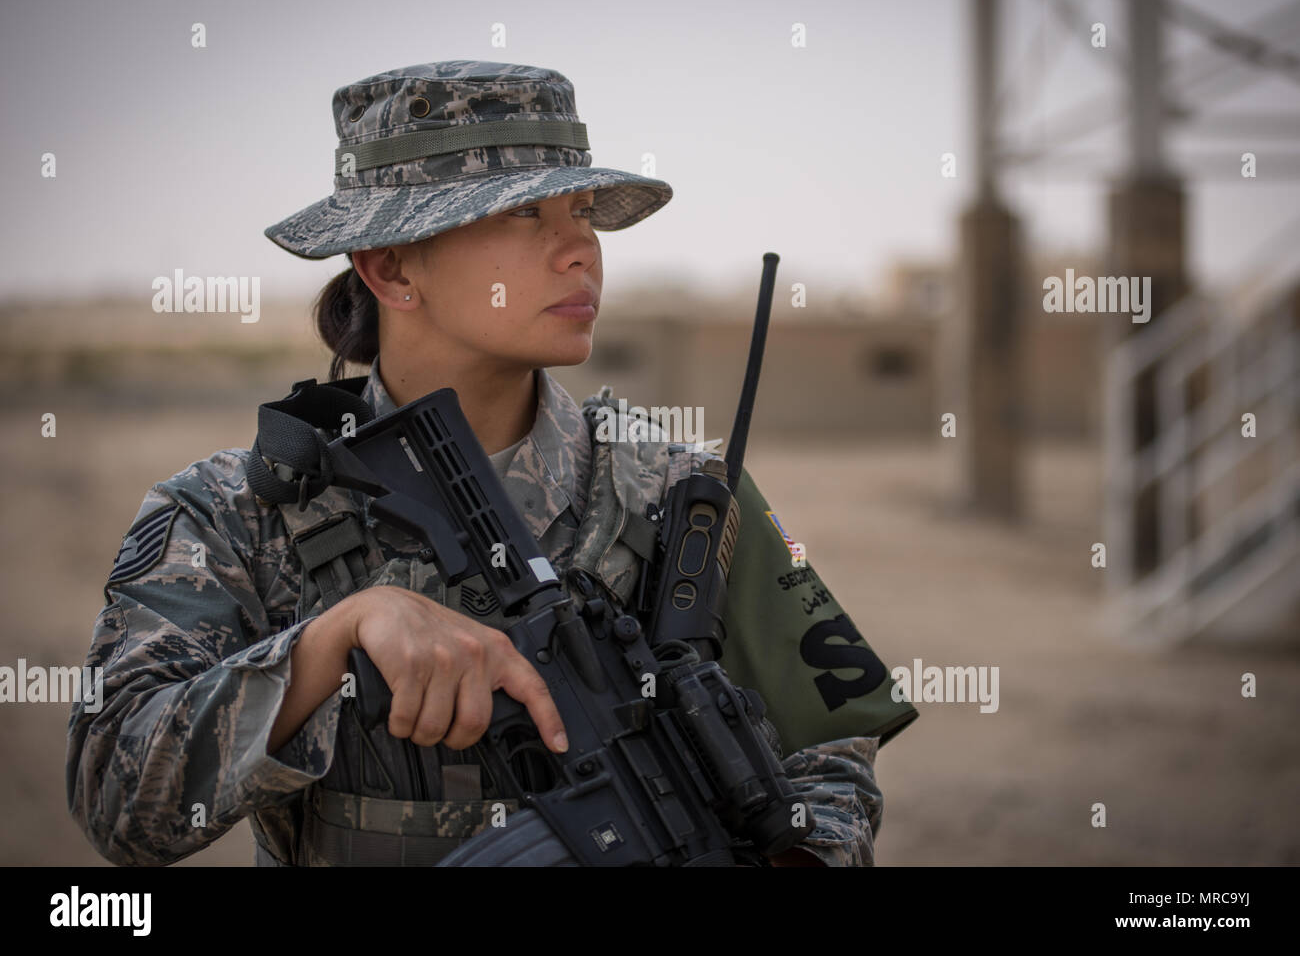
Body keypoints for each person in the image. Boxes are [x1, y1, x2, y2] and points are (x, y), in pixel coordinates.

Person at [66, 60, 917, 867]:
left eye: (582, 210)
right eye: (522, 214)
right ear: (391, 266)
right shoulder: (234, 512)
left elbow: (829, 754)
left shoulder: (684, 490)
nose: (580, 249)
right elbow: (117, 797)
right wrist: (334, 639)